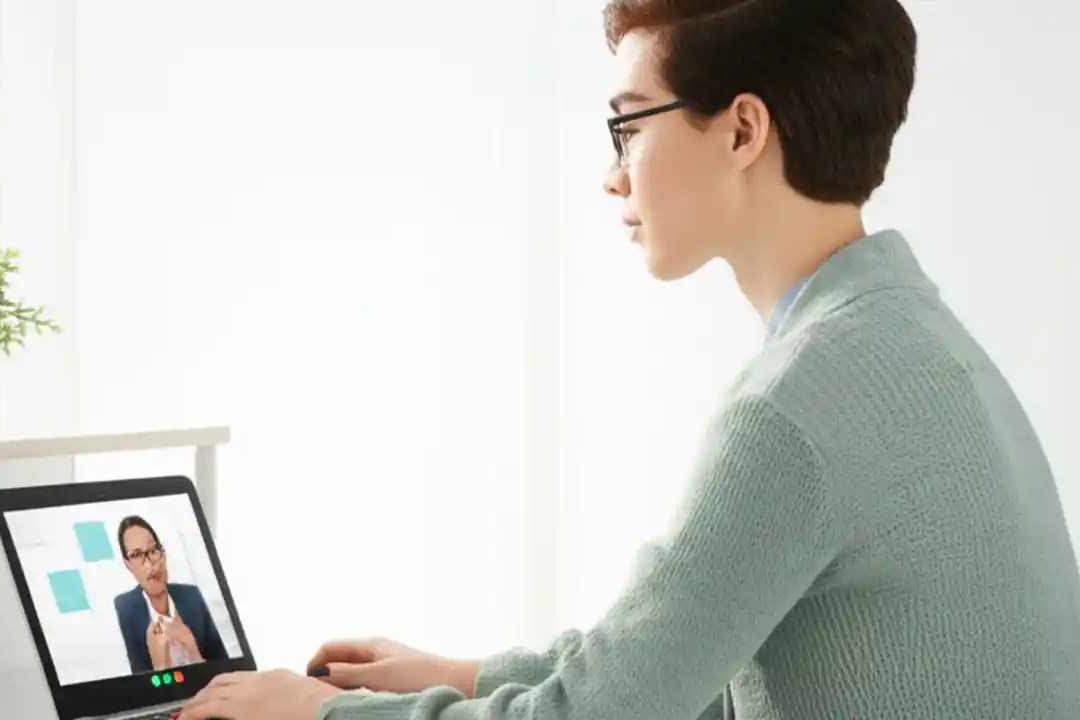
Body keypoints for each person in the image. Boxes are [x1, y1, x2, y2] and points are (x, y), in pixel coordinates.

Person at [178, 0, 1080, 718]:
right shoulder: (911, 339)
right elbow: (697, 660)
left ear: (741, 131)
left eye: (628, 128)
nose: (614, 175)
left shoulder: (799, 406)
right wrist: (463, 673)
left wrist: (311, 715)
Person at [113, 515, 230, 672]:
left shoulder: (192, 596)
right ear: (128, 565)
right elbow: (141, 690)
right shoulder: (126, 608)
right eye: (136, 555)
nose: (149, 564)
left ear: (163, 554)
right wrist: (161, 666)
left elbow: (226, 670)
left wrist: (194, 655)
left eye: (153, 550)